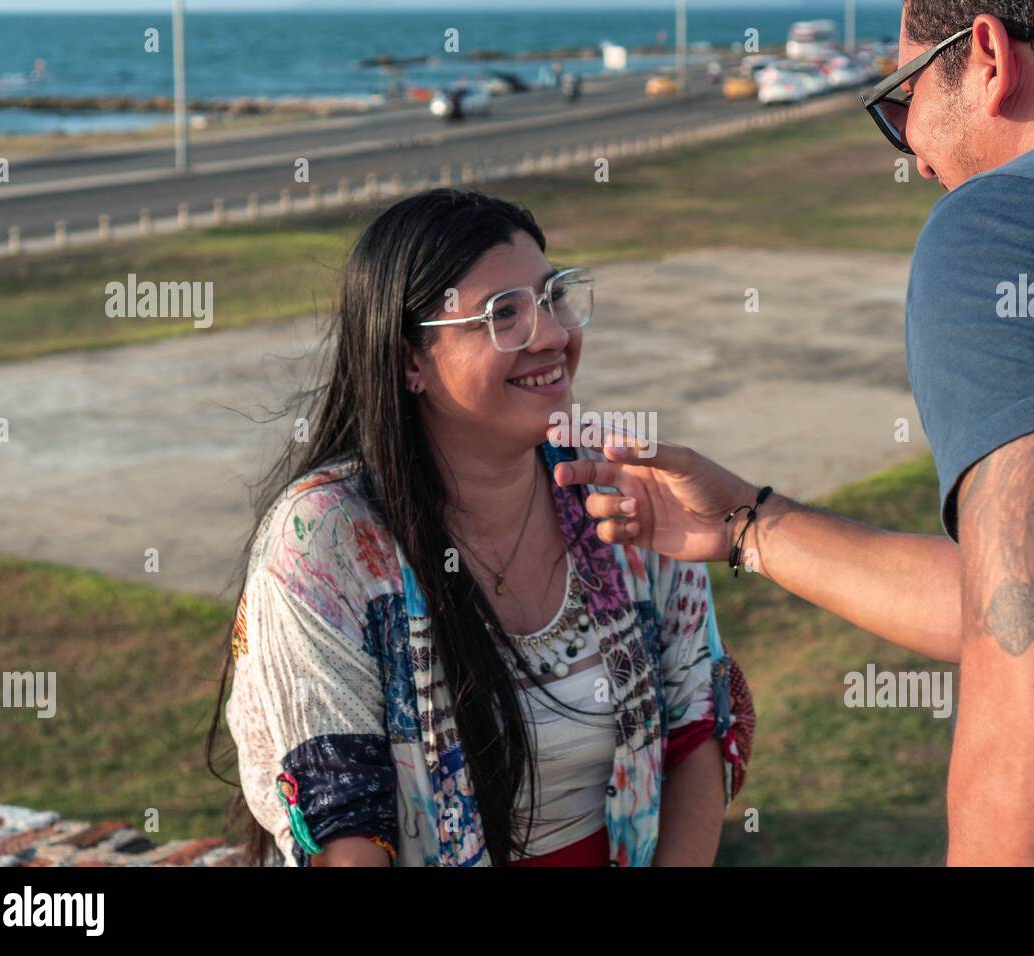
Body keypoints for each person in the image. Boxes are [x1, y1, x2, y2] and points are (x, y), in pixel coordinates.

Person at [551, 0, 1034, 865]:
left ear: (988, 55)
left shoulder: (1026, 221)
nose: (914, 153)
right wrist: (746, 524)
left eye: (901, 99)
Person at [207, 189, 755, 867]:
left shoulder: (621, 491)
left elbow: (696, 726)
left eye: (552, 296)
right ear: (411, 361)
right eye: (503, 315)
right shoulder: (327, 539)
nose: (552, 335)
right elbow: (346, 830)